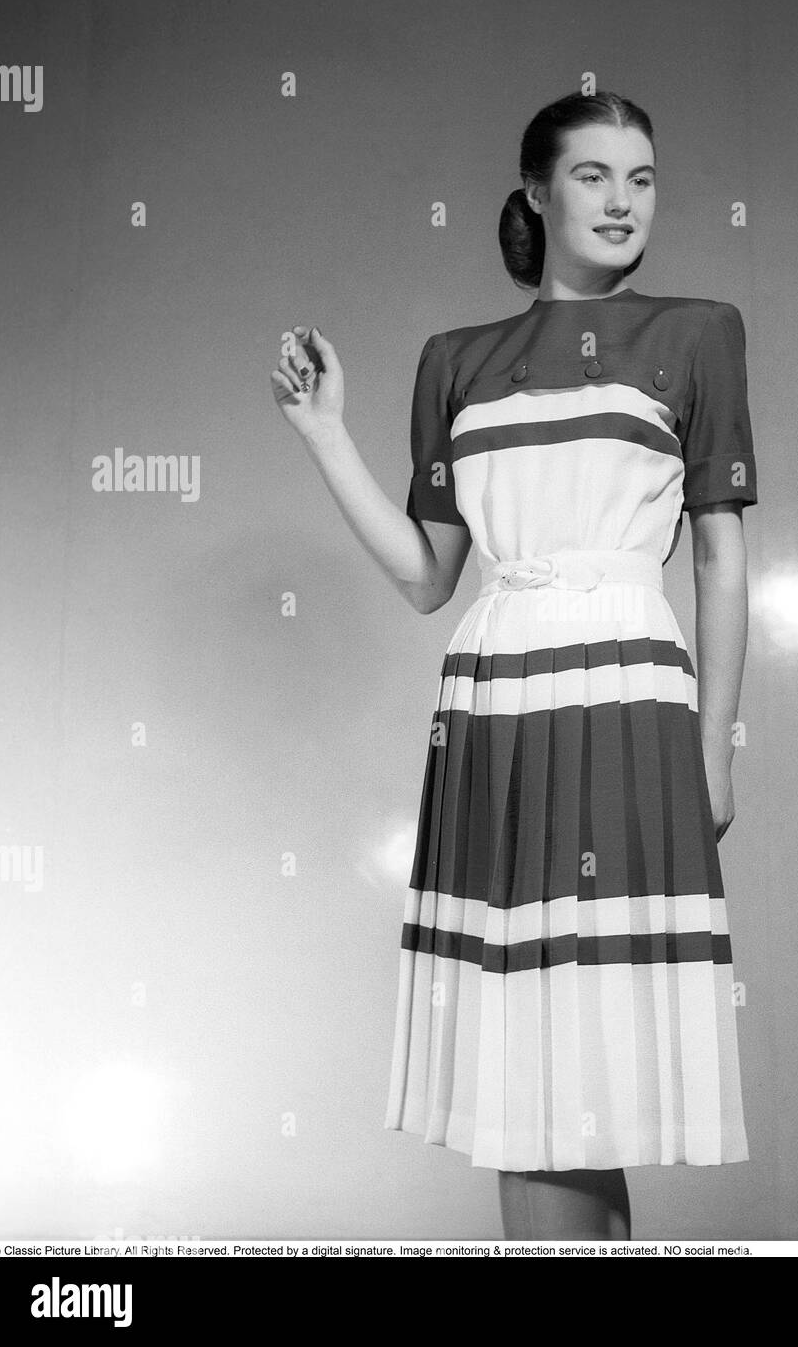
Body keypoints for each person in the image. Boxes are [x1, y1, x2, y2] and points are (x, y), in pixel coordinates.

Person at [270, 90, 757, 1241]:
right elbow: (428, 574)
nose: (622, 201)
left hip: (626, 691)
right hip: (493, 700)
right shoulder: (454, 360)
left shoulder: (699, 331)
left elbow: (723, 563)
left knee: (587, 1058)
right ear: (536, 192)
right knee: (520, 1072)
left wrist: (714, 748)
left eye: (641, 179)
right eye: (593, 176)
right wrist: (324, 434)